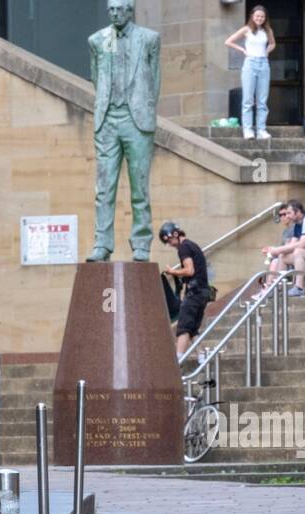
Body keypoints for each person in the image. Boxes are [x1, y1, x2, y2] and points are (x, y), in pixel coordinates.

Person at [84, 0, 161, 262]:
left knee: (139, 187)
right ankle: (102, 243)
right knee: (104, 188)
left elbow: (155, 79)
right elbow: (97, 77)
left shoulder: (149, 38)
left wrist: (144, 108)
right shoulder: (97, 40)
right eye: (111, 9)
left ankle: (141, 243)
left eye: (120, 9)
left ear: (130, 10)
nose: (115, 13)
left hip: (136, 119)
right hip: (108, 119)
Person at [159, 221, 210, 360]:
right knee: (193, 328)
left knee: (183, 327)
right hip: (203, 292)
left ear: (174, 234)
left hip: (195, 293)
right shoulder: (192, 245)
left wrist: (172, 272)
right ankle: (202, 355)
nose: (169, 244)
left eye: (169, 240)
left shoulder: (184, 248)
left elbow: (189, 270)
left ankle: (178, 360)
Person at [225, 6, 275, 141]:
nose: (260, 18)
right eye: (257, 16)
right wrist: (242, 50)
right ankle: (247, 129)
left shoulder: (267, 30)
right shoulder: (246, 29)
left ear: (265, 18)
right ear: (252, 16)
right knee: (248, 100)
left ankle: (261, 130)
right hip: (250, 64)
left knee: (262, 101)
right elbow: (228, 41)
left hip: (264, 64)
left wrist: (267, 51)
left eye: (262, 17)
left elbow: (272, 44)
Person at [260, 199, 305, 297]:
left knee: (298, 251)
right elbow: (291, 245)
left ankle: (299, 287)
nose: (287, 216)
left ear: (298, 212)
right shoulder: (297, 225)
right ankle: (277, 288)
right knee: (283, 255)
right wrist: (276, 251)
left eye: (289, 213)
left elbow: (302, 244)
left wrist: (276, 250)